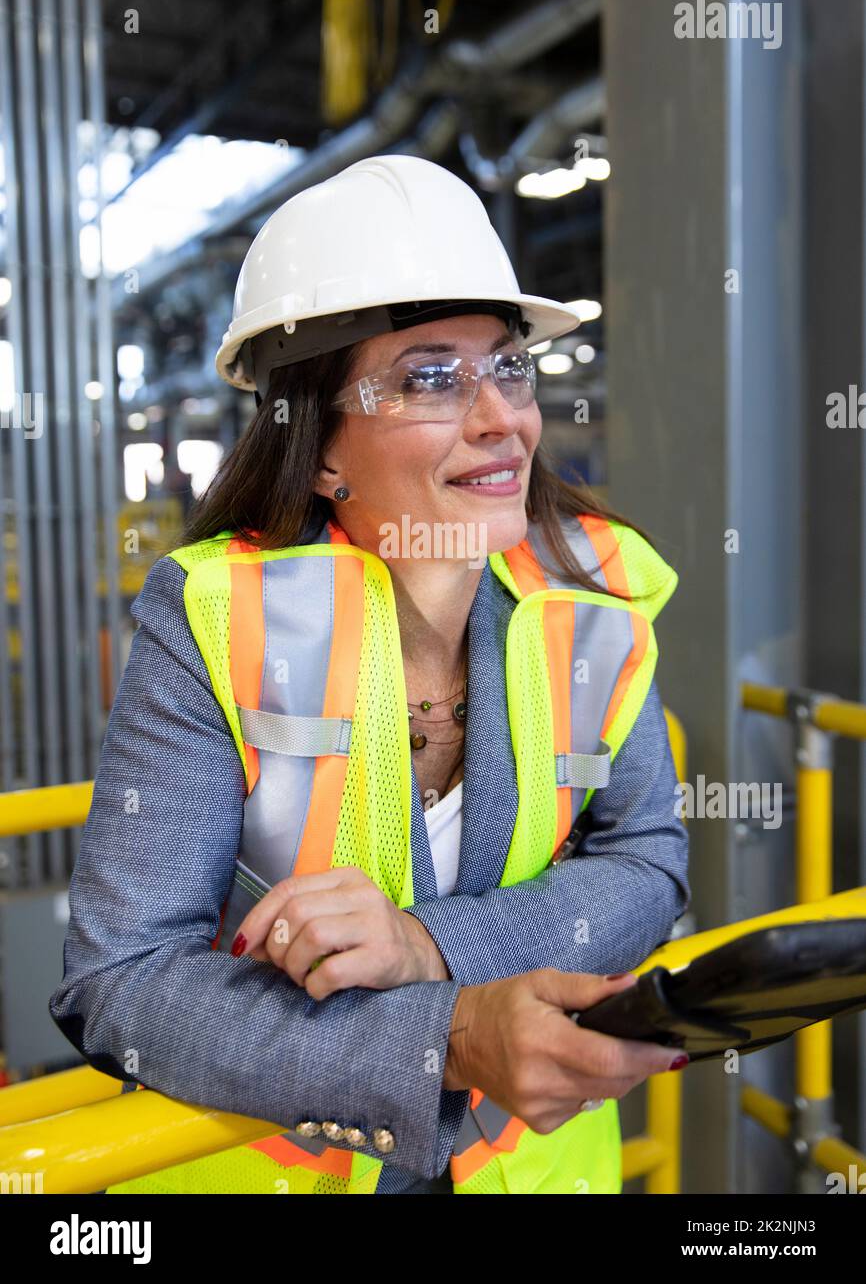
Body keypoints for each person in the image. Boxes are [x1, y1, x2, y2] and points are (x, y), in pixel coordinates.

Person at [50, 154, 690, 1195]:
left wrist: (431, 948)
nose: (502, 419)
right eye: (431, 377)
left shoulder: (596, 598)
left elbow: (649, 860)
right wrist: (443, 1038)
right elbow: (121, 983)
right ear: (322, 445)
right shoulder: (215, 619)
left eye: (507, 366)